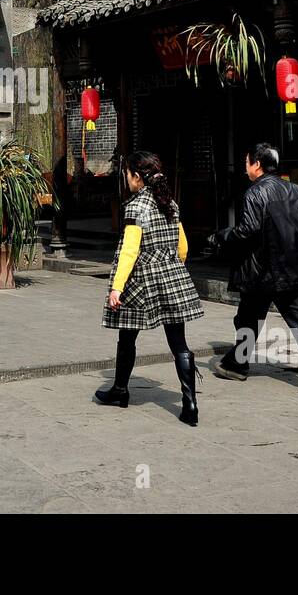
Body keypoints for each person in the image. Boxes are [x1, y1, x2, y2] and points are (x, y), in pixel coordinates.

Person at [209, 143, 298, 392]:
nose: (246, 169)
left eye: (247, 163)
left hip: (262, 271)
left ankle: (236, 365)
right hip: (291, 269)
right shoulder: (296, 191)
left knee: (249, 319)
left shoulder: (255, 194)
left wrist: (221, 237)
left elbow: (248, 231)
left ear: (257, 165)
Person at [95, 150, 204, 426]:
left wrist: (117, 287)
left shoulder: (135, 207)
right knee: (179, 343)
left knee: (127, 335)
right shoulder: (170, 203)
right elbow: (183, 248)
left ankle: (120, 389)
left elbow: (129, 252)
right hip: (172, 274)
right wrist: (171, 267)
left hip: (141, 278)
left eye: (128, 174)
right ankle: (189, 403)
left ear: (137, 177)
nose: (126, 178)